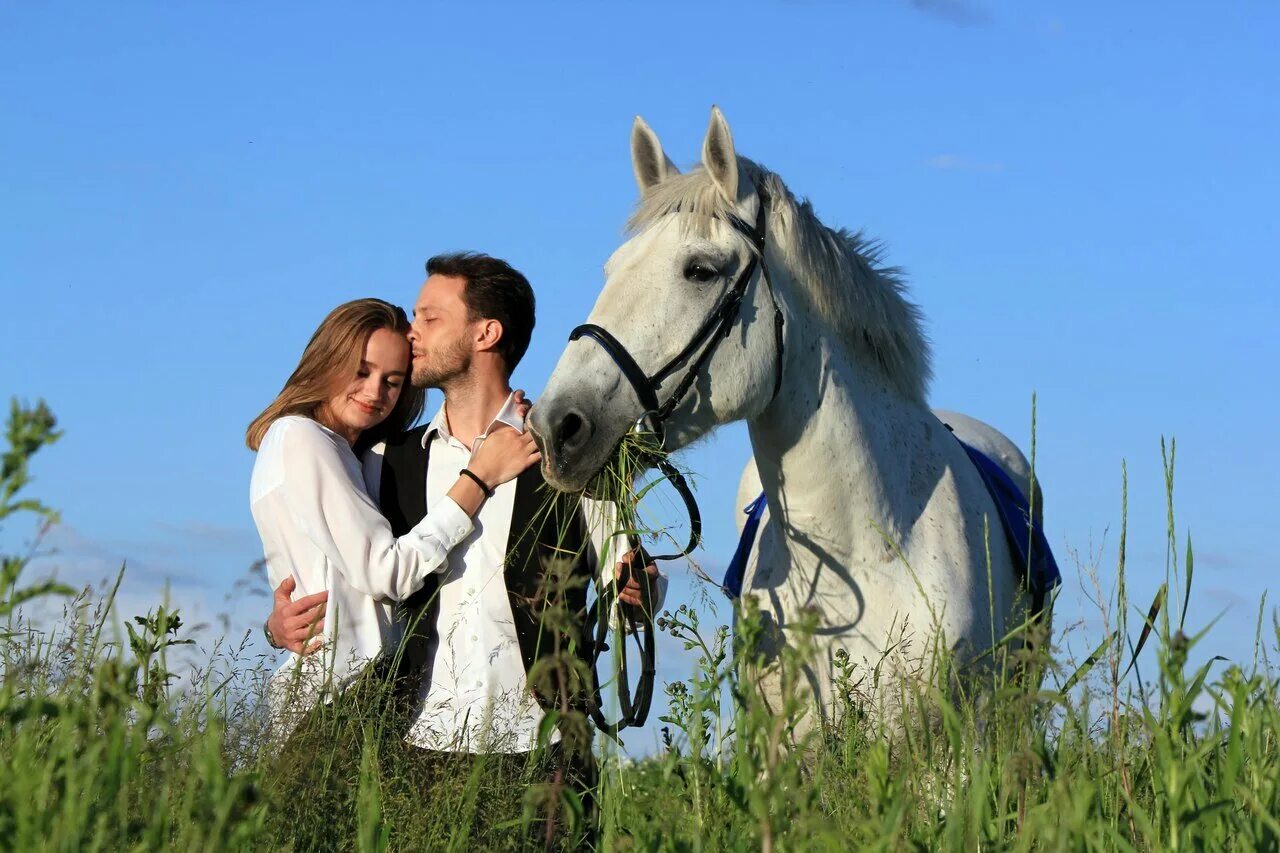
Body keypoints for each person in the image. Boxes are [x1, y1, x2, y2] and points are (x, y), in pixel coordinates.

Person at [264, 254, 663, 837]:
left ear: (486, 333)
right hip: (411, 752)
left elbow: (629, 580)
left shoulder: (568, 459)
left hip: (547, 754)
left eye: (429, 317)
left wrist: (641, 592)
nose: (411, 331)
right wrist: (279, 624)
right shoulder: (382, 462)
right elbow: (349, 572)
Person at [245, 297, 540, 732]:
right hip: (333, 701)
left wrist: (275, 629)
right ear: (327, 361)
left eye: (393, 381)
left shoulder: (348, 453)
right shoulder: (300, 438)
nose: (374, 392)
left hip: (367, 699)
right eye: (361, 371)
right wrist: (479, 475)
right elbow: (386, 573)